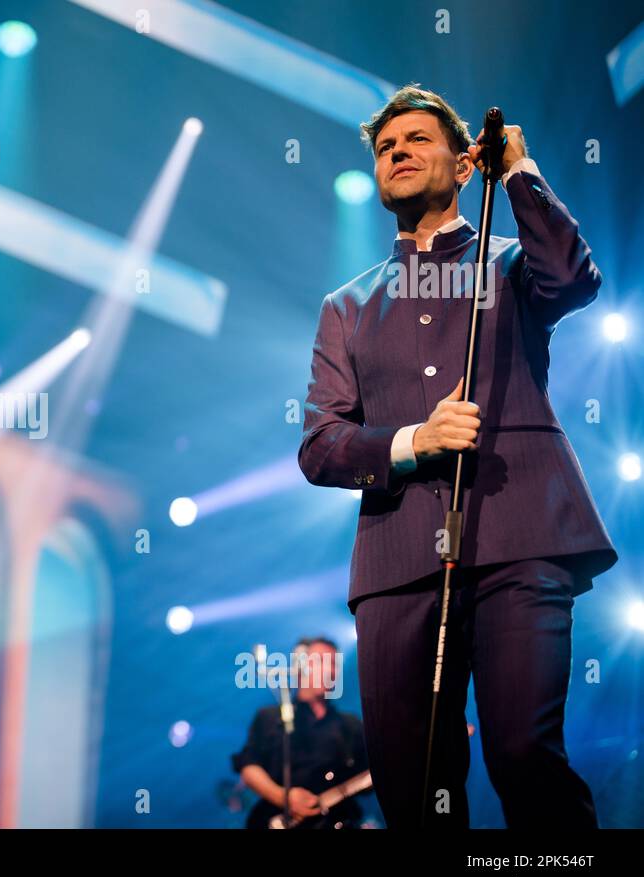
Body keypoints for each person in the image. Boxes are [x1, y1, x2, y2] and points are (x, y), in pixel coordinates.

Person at [299, 85, 615, 828]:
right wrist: (413, 441)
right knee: (414, 787)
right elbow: (321, 444)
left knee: (523, 754)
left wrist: (520, 170)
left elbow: (574, 278)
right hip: (397, 564)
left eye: (416, 140)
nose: (397, 153)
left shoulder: (508, 264)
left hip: (521, 541)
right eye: (385, 147)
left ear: (463, 162)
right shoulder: (346, 306)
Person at [232, 639, 370, 829]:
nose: (330, 671)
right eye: (320, 661)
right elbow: (248, 766)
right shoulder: (270, 717)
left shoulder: (351, 724)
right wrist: (284, 797)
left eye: (334, 663)